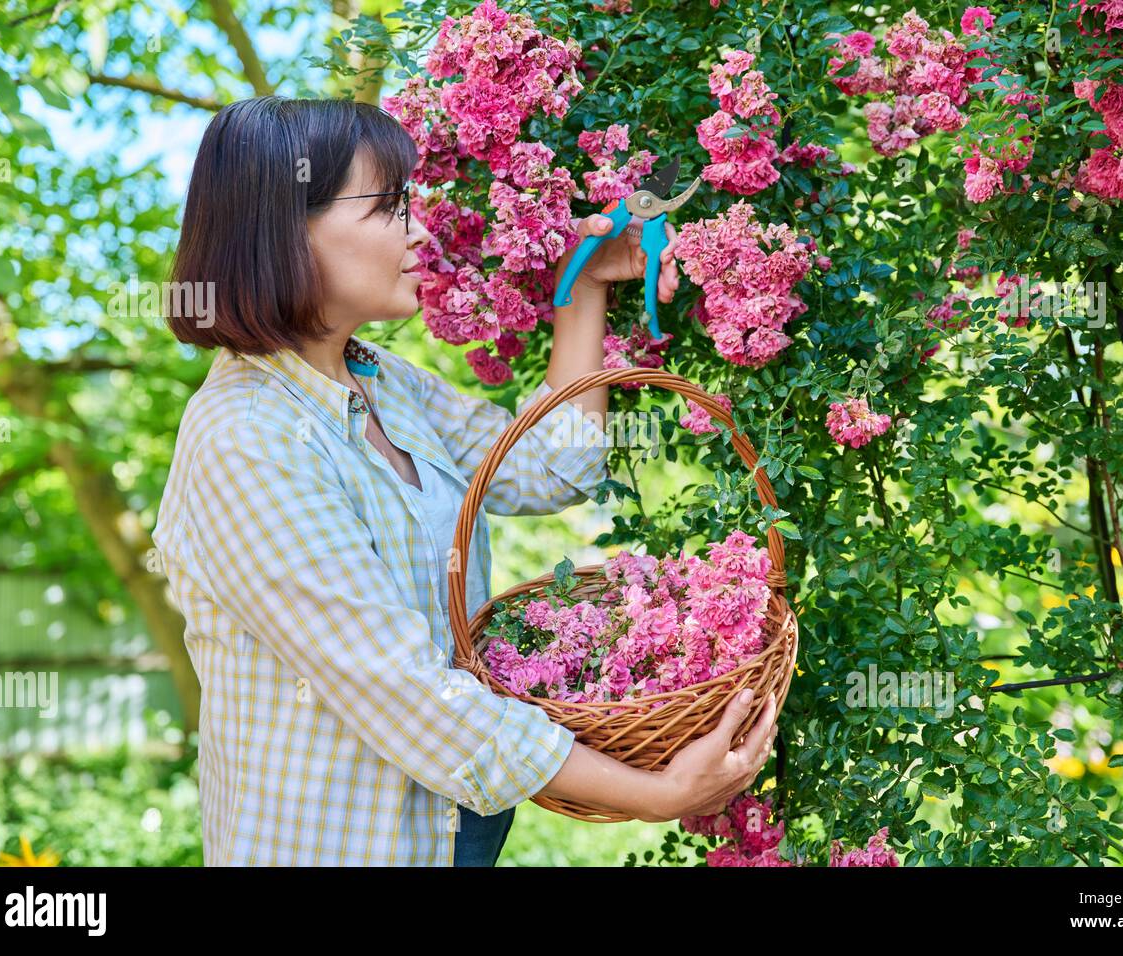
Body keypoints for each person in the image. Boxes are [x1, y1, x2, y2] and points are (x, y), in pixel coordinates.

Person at [152, 96, 777, 866]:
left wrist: (581, 291)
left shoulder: (386, 384)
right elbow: (401, 690)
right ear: (285, 228)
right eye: (387, 207)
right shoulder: (245, 437)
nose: (419, 231)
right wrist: (658, 793)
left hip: (453, 831)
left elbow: (550, 466)